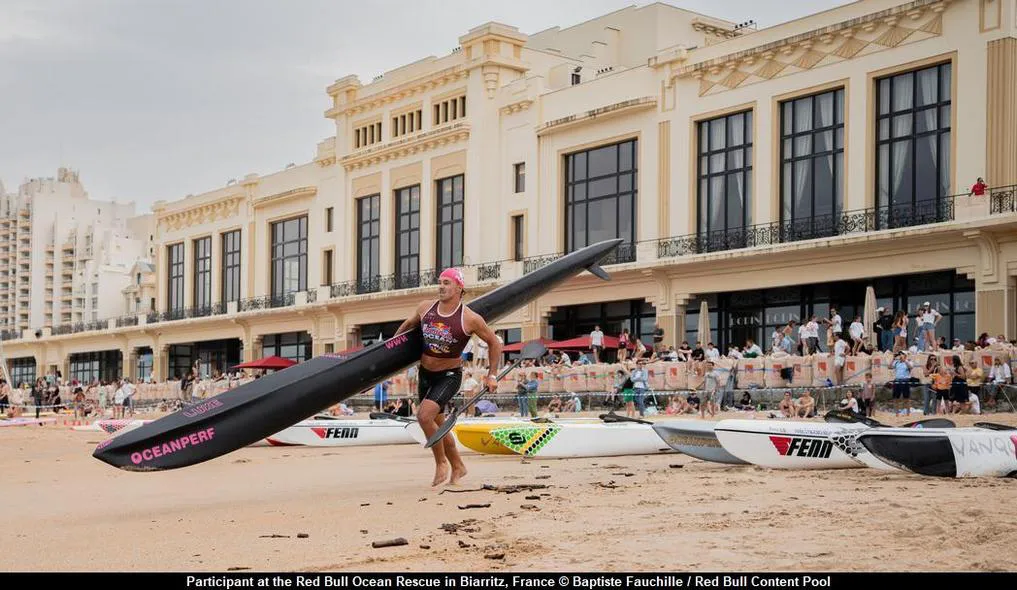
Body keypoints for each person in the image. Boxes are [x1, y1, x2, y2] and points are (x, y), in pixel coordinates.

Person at [394, 267, 503, 487]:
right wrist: (390, 349)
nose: (441, 286)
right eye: (440, 282)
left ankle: (441, 462)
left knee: (424, 416)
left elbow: (494, 342)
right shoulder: (426, 308)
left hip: (449, 376)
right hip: (425, 374)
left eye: (446, 283)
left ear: (459, 288)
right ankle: (459, 467)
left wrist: (492, 375)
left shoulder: (470, 318)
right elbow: (408, 326)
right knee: (438, 424)